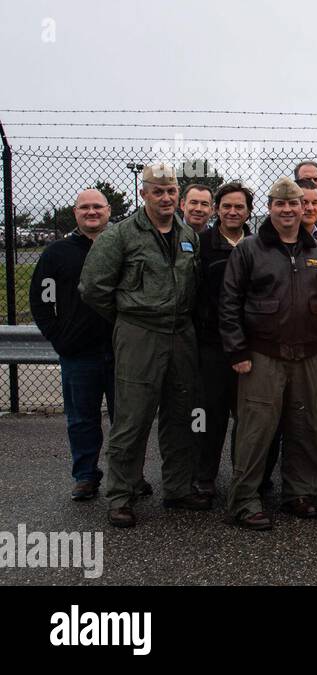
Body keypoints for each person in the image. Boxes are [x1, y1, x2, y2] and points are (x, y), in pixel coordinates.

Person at [79, 163, 210, 528]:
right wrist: (129, 317)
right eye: (158, 191)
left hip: (181, 334)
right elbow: (93, 289)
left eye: (171, 192)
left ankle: (178, 488)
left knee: (180, 415)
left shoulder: (188, 234)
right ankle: (121, 495)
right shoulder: (119, 236)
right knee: (133, 418)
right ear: (144, 194)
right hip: (140, 333)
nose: (166, 198)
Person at [220, 177, 317, 529]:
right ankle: (244, 499)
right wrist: (237, 350)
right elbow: (229, 303)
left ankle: (299, 493)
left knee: (305, 426)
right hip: (262, 355)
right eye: (280, 204)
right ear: (270, 207)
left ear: (304, 208)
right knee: (256, 430)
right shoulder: (248, 250)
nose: (288, 210)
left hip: (307, 355)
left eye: (295, 204)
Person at [31, 189, 116, 501]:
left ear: (108, 210)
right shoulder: (57, 253)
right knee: (82, 419)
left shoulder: (120, 245)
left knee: (127, 419)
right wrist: (58, 336)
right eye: (85, 207)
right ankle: (85, 476)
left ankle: (127, 477)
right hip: (78, 354)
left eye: (97, 207)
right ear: (75, 212)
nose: (91, 212)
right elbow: (42, 299)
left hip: (122, 350)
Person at [192, 181, 254, 498]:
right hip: (211, 346)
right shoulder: (201, 244)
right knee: (209, 414)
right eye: (227, 206)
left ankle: (245, 476)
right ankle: (204, 475)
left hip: (248, 346)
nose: (232, 211)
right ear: (217, 209)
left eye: (239, 207)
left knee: (247, 417)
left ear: (248, 212)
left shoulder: (257, 246)